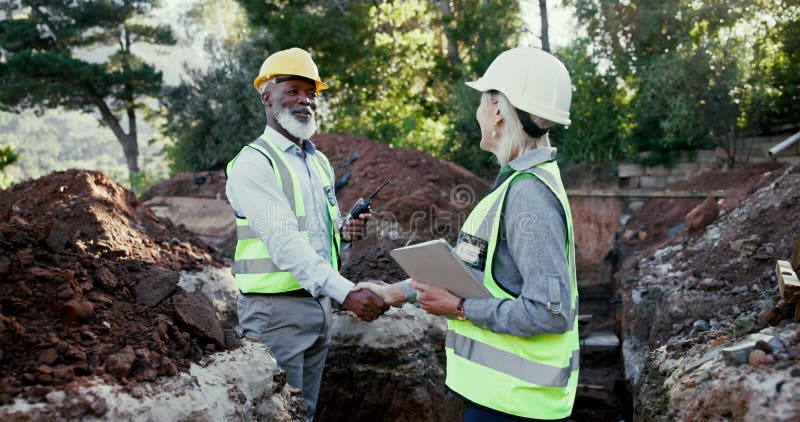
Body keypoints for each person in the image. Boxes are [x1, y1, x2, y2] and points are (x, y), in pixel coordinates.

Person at [356, 47, 579, 421]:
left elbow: (550, 312)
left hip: (517, 407)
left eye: (482, 102)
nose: (478, 113)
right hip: (501, 401)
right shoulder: (514, 186)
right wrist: (391, 293)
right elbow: (465, 273)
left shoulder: (528, 196)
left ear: (497, 111)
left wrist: (458, 308)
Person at [225, 47, 389, 419]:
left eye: (311, 93)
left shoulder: (318, 161)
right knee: (278, 415)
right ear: (266, 95)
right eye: (293, 90)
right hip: (275, 315)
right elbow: (284, 242)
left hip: (318, 307)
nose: (305, 101)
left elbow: (316, 235)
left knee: (306, 412)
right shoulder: (254, 162)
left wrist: (344, 233)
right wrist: (346, 293)